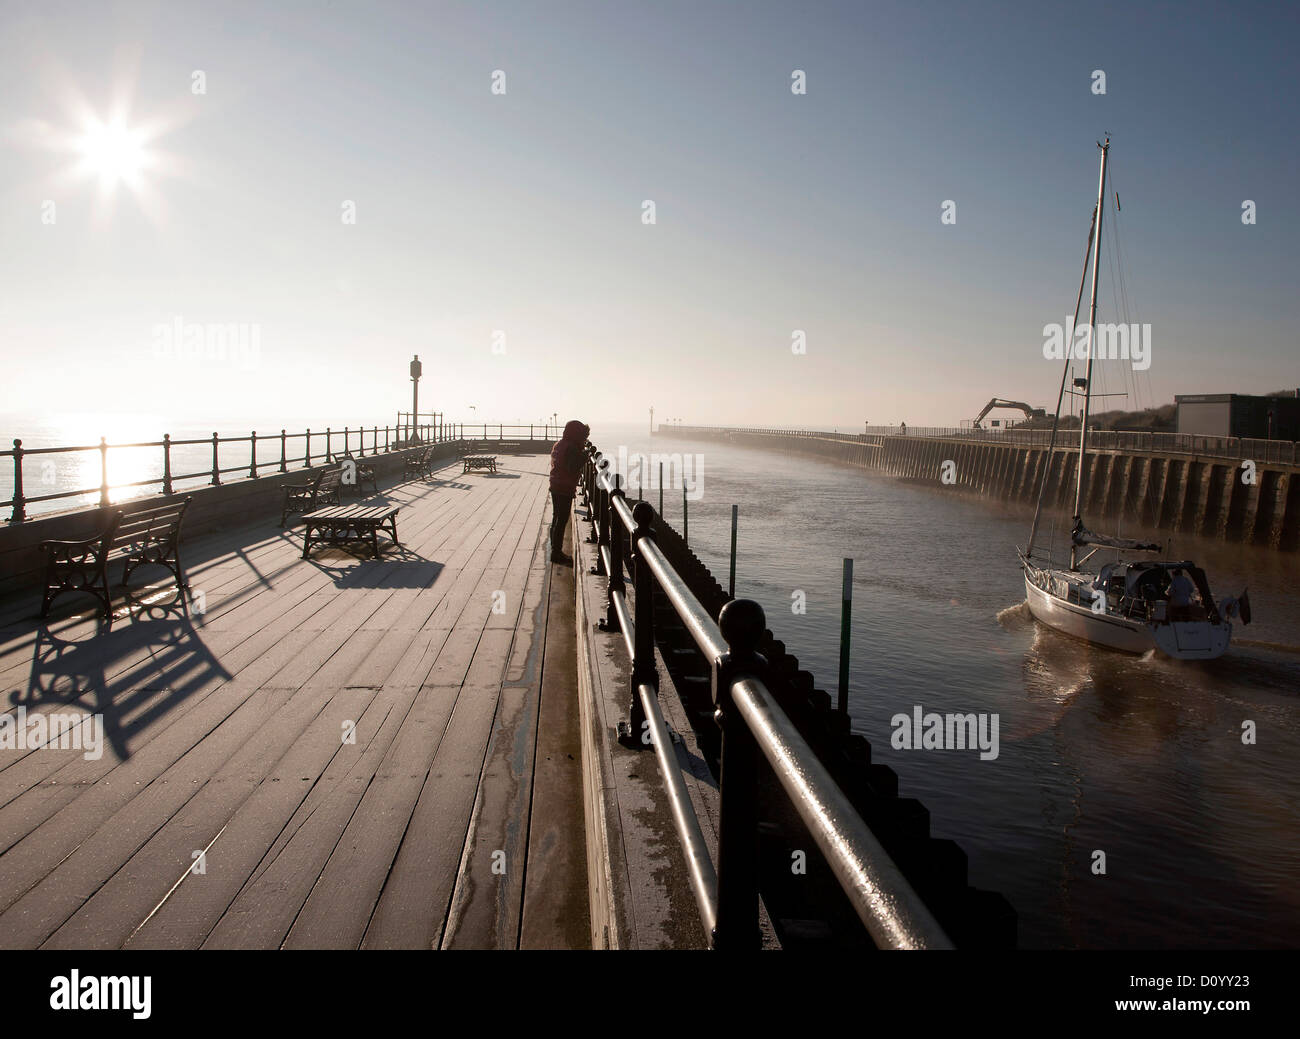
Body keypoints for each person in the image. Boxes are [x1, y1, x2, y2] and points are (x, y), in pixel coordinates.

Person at [548, 420, 589, 564]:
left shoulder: (559, 444)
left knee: (556, 518)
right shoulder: (571, 447)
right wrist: (585, 456)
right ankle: (556, 552)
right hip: (564, 487)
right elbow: (572, 466)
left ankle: (554, 550)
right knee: (562, 520)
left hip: (555, 484)